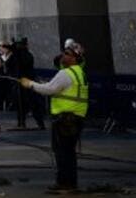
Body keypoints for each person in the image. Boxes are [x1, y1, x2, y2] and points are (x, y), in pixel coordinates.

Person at [19, 39, 89, 195]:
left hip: (65, 119)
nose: (62, 56)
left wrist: (30, 84)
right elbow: (60, 88)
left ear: (74, 58)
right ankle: (70, 183)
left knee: (62, 153)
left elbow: (49, 89)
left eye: (66, 53)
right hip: (76, 118)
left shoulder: (66, 73)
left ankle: (65, 183)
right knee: (69, 153)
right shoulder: (79, 73)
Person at [4, 38, 44, 130]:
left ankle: (40, 122)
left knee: (33, 103)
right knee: (19, 104)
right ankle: (21, 122)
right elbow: (8, 65)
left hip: (28, 82)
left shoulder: (27, 55)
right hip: (18, 83)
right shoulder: (14, 56)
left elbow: (25, 64)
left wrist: (17, 54)